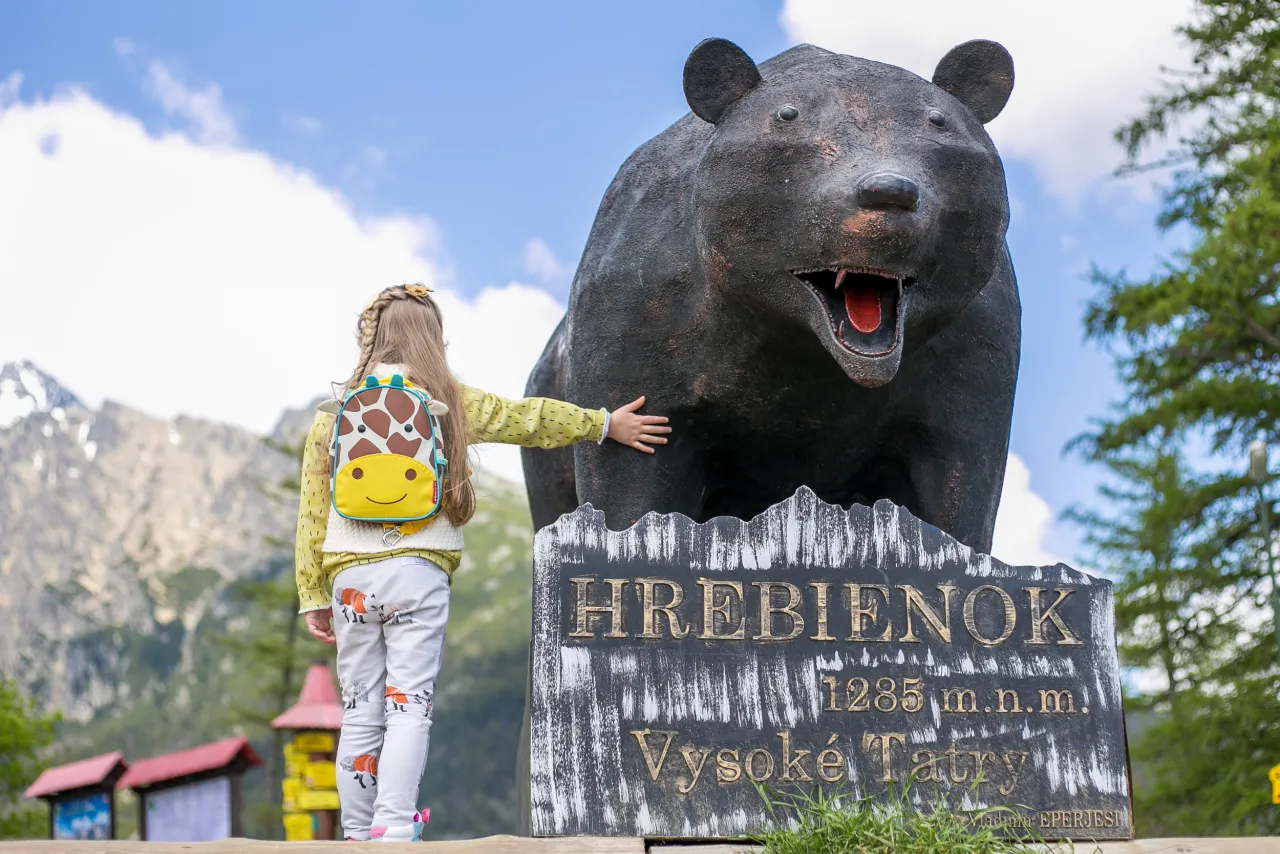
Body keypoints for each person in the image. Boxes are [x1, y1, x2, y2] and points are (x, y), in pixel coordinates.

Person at [295, 283, 669, 841]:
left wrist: (313, 594)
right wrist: (604, 424)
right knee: (407, 708)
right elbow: (529, 419)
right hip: (417, 574)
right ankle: (393, 831)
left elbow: (312, 509)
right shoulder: (451, 403)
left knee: (361, 710)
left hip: (351, 577)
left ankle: (355, 833)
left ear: (370, 336)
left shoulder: (336, 415)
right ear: (433, 339)